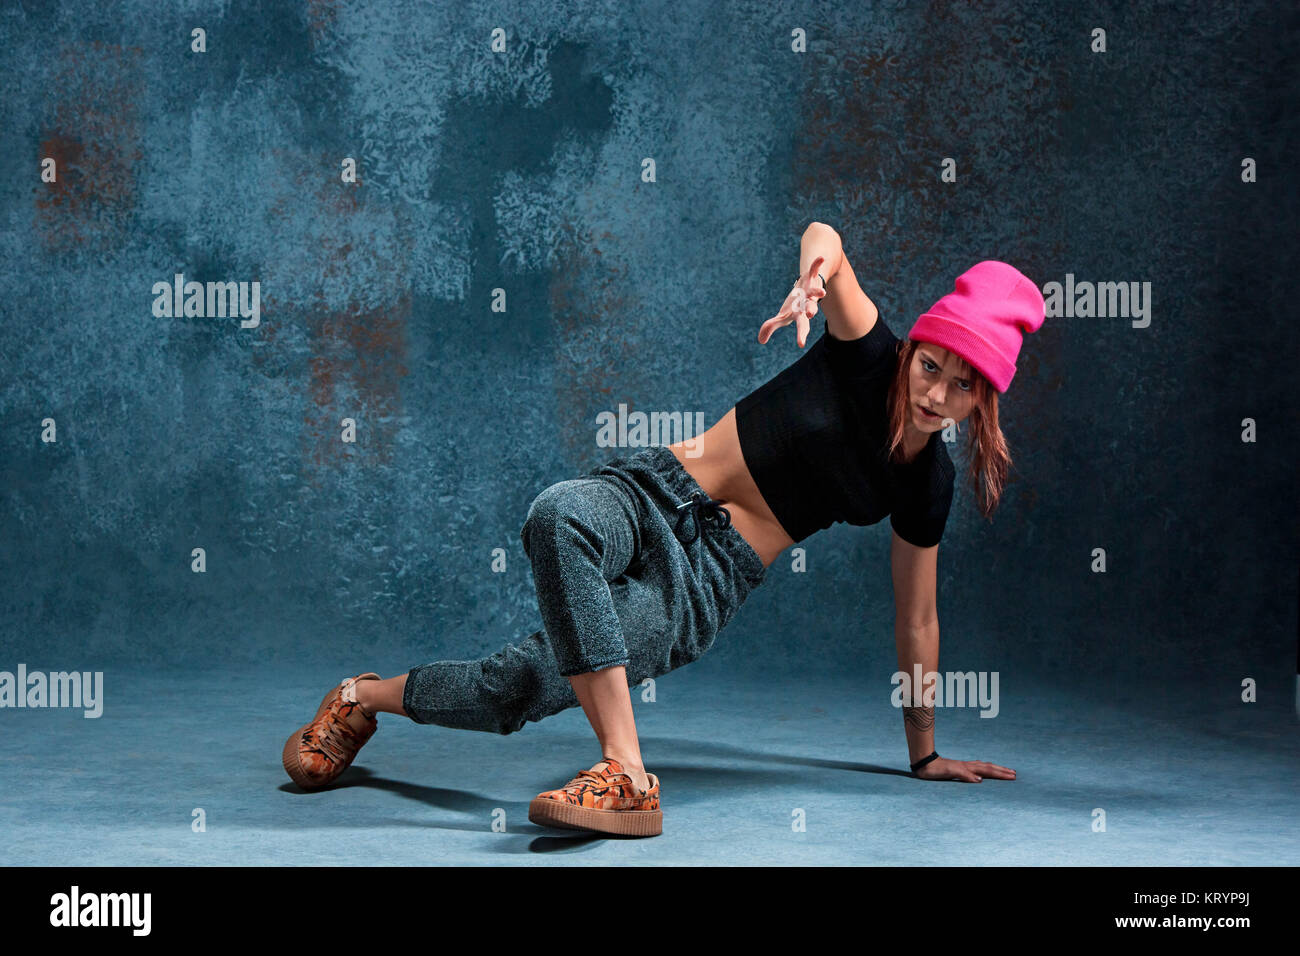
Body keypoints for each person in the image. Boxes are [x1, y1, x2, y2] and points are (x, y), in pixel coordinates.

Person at [281, 221, 1045, 838]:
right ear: (912, 352)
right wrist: (815, 275)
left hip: (710, 581)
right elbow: (830, 239)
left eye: (962, 383)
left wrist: (925, 755)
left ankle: (360, 697)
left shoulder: (927, 484)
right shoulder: (869, 356)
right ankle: (627, 774)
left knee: (520, 685)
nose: (937, 393)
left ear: (984, 400)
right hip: (654, 491)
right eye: (930, 367)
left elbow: (918, 618)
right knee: (560, 515)